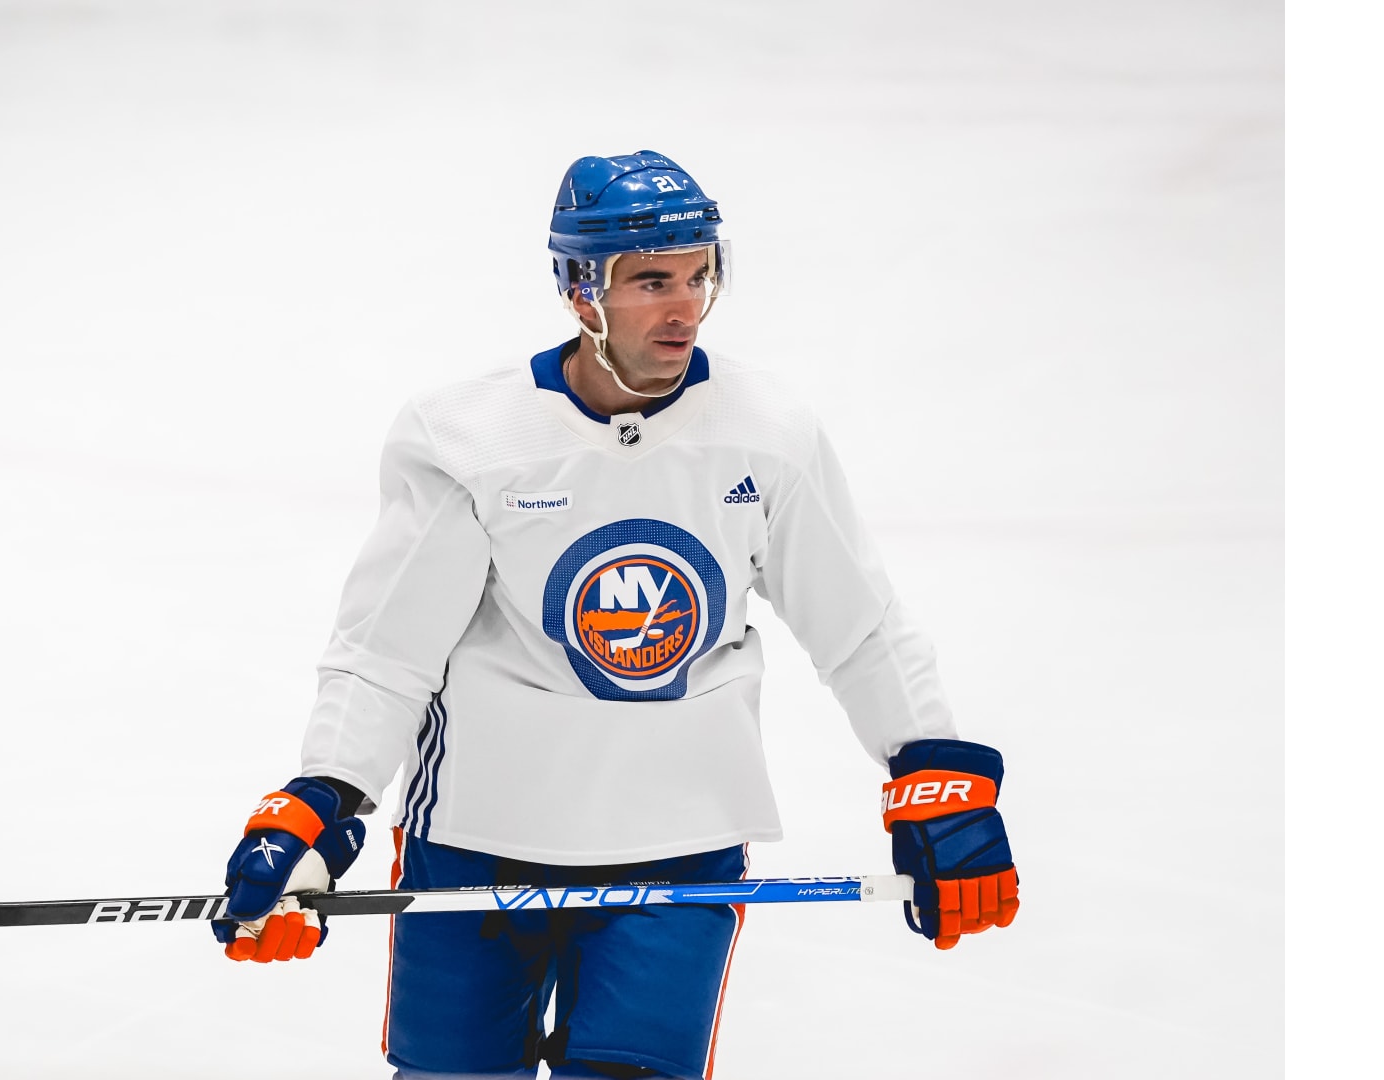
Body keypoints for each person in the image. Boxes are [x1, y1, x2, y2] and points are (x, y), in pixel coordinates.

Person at [211, 151, 1020, 1079]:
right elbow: (387, 651)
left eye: (697, 275)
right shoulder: (469, 440)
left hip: (678, 855)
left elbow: (860, 626)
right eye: (650, 282)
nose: (684, 308)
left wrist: (934, 769)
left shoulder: (766, 432)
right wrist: (323, 801)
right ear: (578, 289)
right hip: (480, 848)